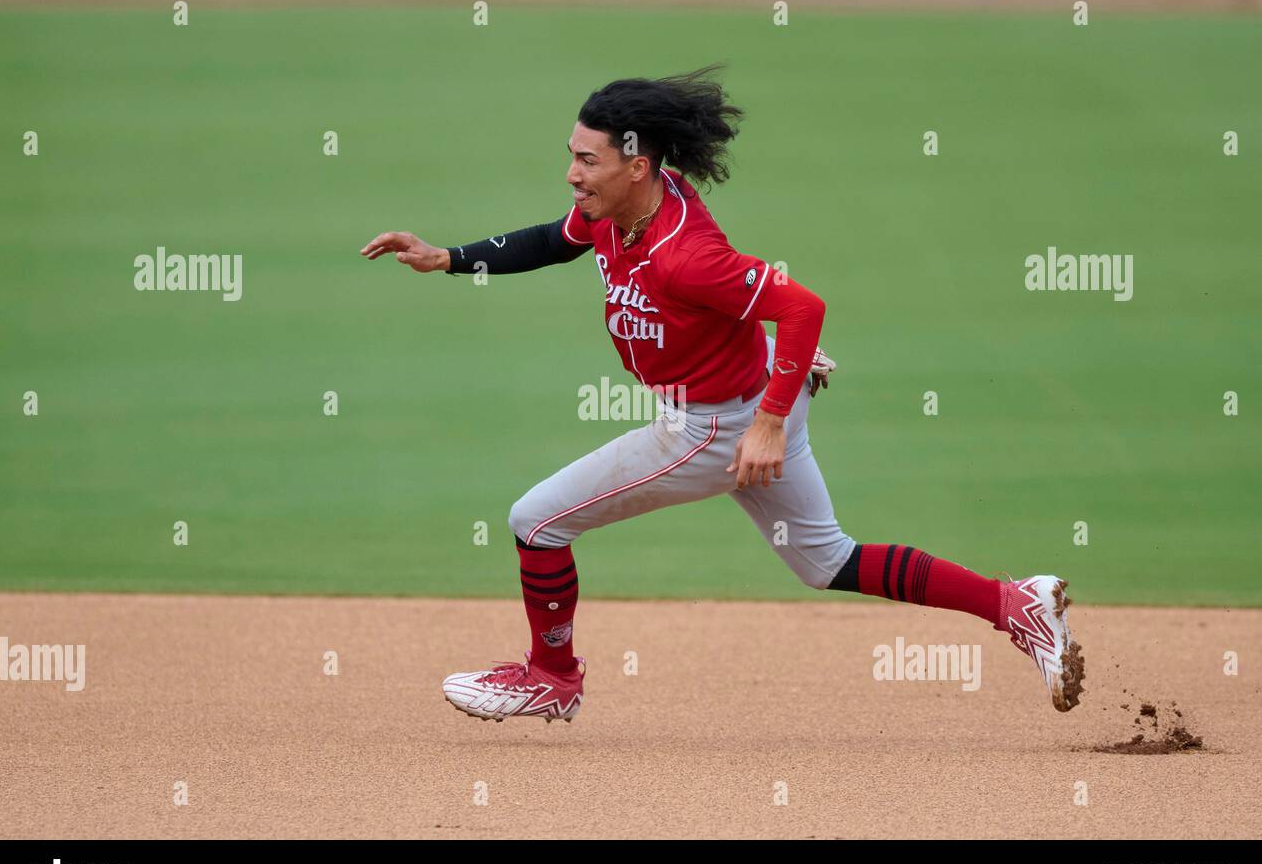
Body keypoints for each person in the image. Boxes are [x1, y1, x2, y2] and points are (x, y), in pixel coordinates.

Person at [360, 66, 1083, 723]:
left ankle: (553, 677)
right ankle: (1015, 603)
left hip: (715, 425)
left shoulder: (683, 256)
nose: (572, 174)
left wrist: (767, 422)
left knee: (536, 521)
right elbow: (554, 239)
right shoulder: (619, 212)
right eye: (573, 155)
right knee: (826, 560)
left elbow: (802, 305)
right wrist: (446, 258)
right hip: (752, 389)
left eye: (587, 159)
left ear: (635, 167)